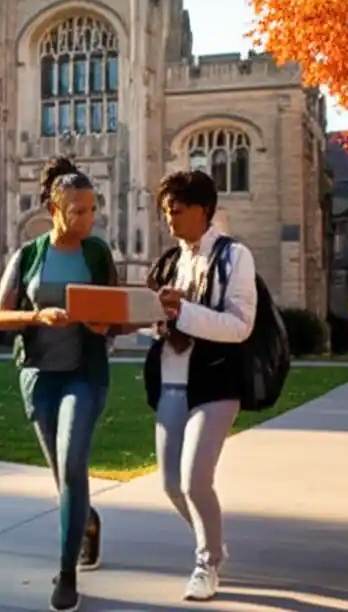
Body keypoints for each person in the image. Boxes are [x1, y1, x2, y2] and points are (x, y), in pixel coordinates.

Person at [0, 156, 119, 612]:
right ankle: (88, 522)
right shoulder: (28, 256)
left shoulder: (98, 254)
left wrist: (105, 327)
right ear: (55, 210)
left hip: (85, 375)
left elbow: (118, 314)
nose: (88, 218)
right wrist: (36, 315)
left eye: (92, 209)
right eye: (79, 210)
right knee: (62, 474)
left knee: (71, 465)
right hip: (39, 376)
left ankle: (66, 575)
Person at [143, 169, 257, 602]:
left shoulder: (234, 257)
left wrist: (182, 312)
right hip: (171, 382)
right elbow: (159, 326)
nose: (168, 219)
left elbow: (241, 326)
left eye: (176, 210)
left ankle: (207, 564)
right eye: (165, 211)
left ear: (202, 210)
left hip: (215, 384)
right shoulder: (170, 261)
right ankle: (212, 544)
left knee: (194, 481)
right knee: (171, 485)